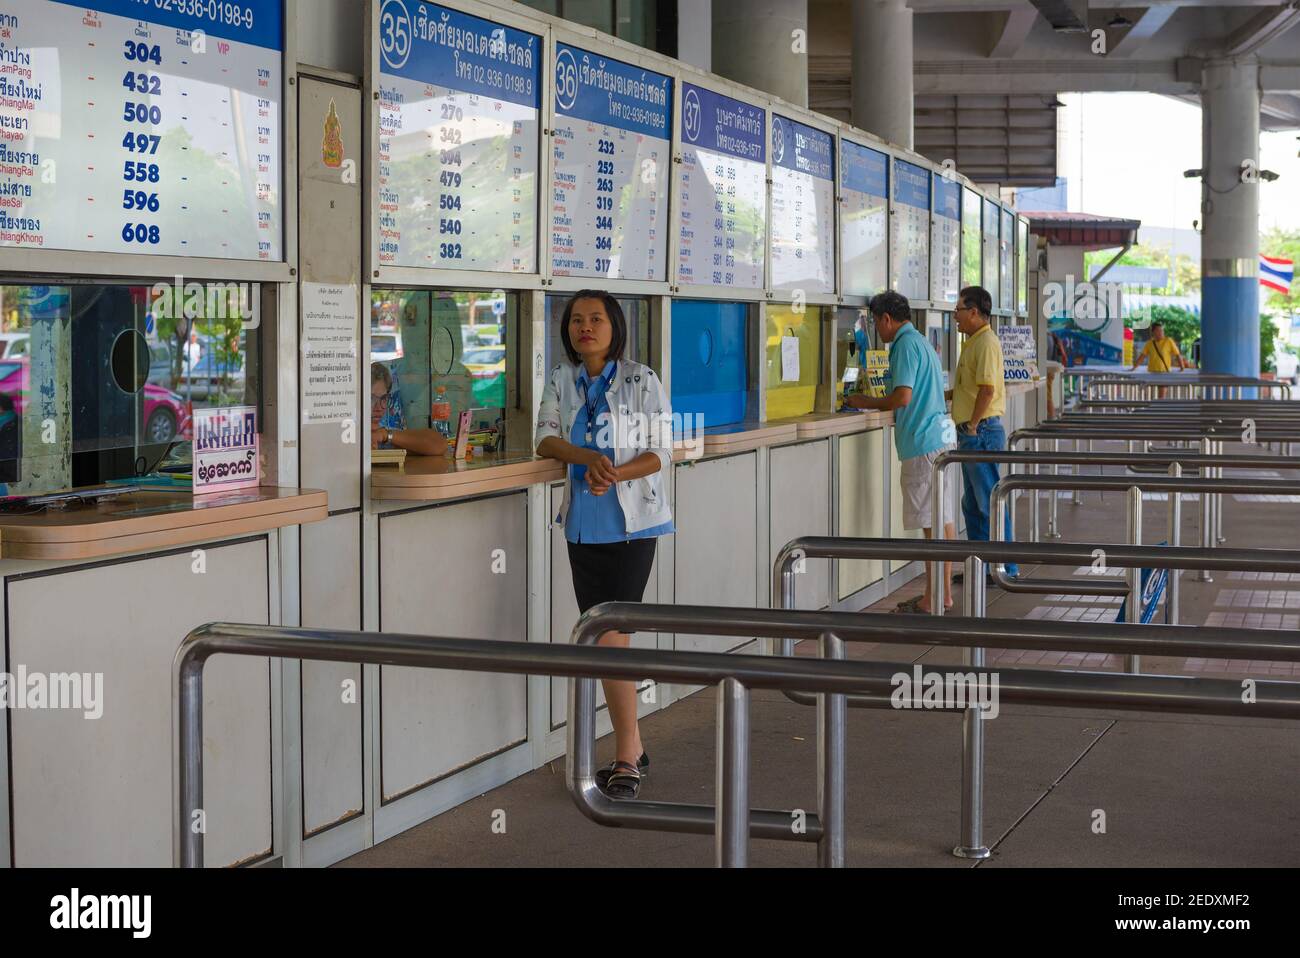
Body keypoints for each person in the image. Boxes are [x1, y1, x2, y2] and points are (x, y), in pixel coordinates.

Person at [535, 290, 674, 800]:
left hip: (632, 526)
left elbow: (661, 451)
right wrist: (586, 458)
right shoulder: (561, 379)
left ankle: (625, 754)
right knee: (599, 637)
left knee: (611, 636)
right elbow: (545, 440)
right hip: (582, 528)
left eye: (595, 319)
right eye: (576, 320)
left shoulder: (642, 379)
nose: (584, 327)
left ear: (615, 325)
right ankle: (631, 748)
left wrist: (612, 472)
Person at [844, 291, 956, 613]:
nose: (879, 331)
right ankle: (942, 595)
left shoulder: (904, 345)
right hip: (940, 440)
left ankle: (933, 599)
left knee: (932, 526)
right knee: (943, 520)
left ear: (886, 319)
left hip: (923, 444)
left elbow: (902, 397)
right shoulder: (922, 342)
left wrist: (864, 402)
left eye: (877, 323)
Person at [949, 286, 1018, 581]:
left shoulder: (986, 343)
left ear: (974, 312)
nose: (955, 317)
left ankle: (1006, 568)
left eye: (959, 310)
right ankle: (981, 567)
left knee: (989, 502)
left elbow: (987, 391)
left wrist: (974, 425)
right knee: (973, 504)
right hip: (971, 430)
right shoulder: (973, 341)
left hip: (981, 430)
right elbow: (970, 388)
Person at [370, 362, 448, 457]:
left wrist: (386, 435)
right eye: (371, 399)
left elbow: (439, 444)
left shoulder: (384, 429)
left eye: (383, 398)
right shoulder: (350, 432)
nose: (378, 408)